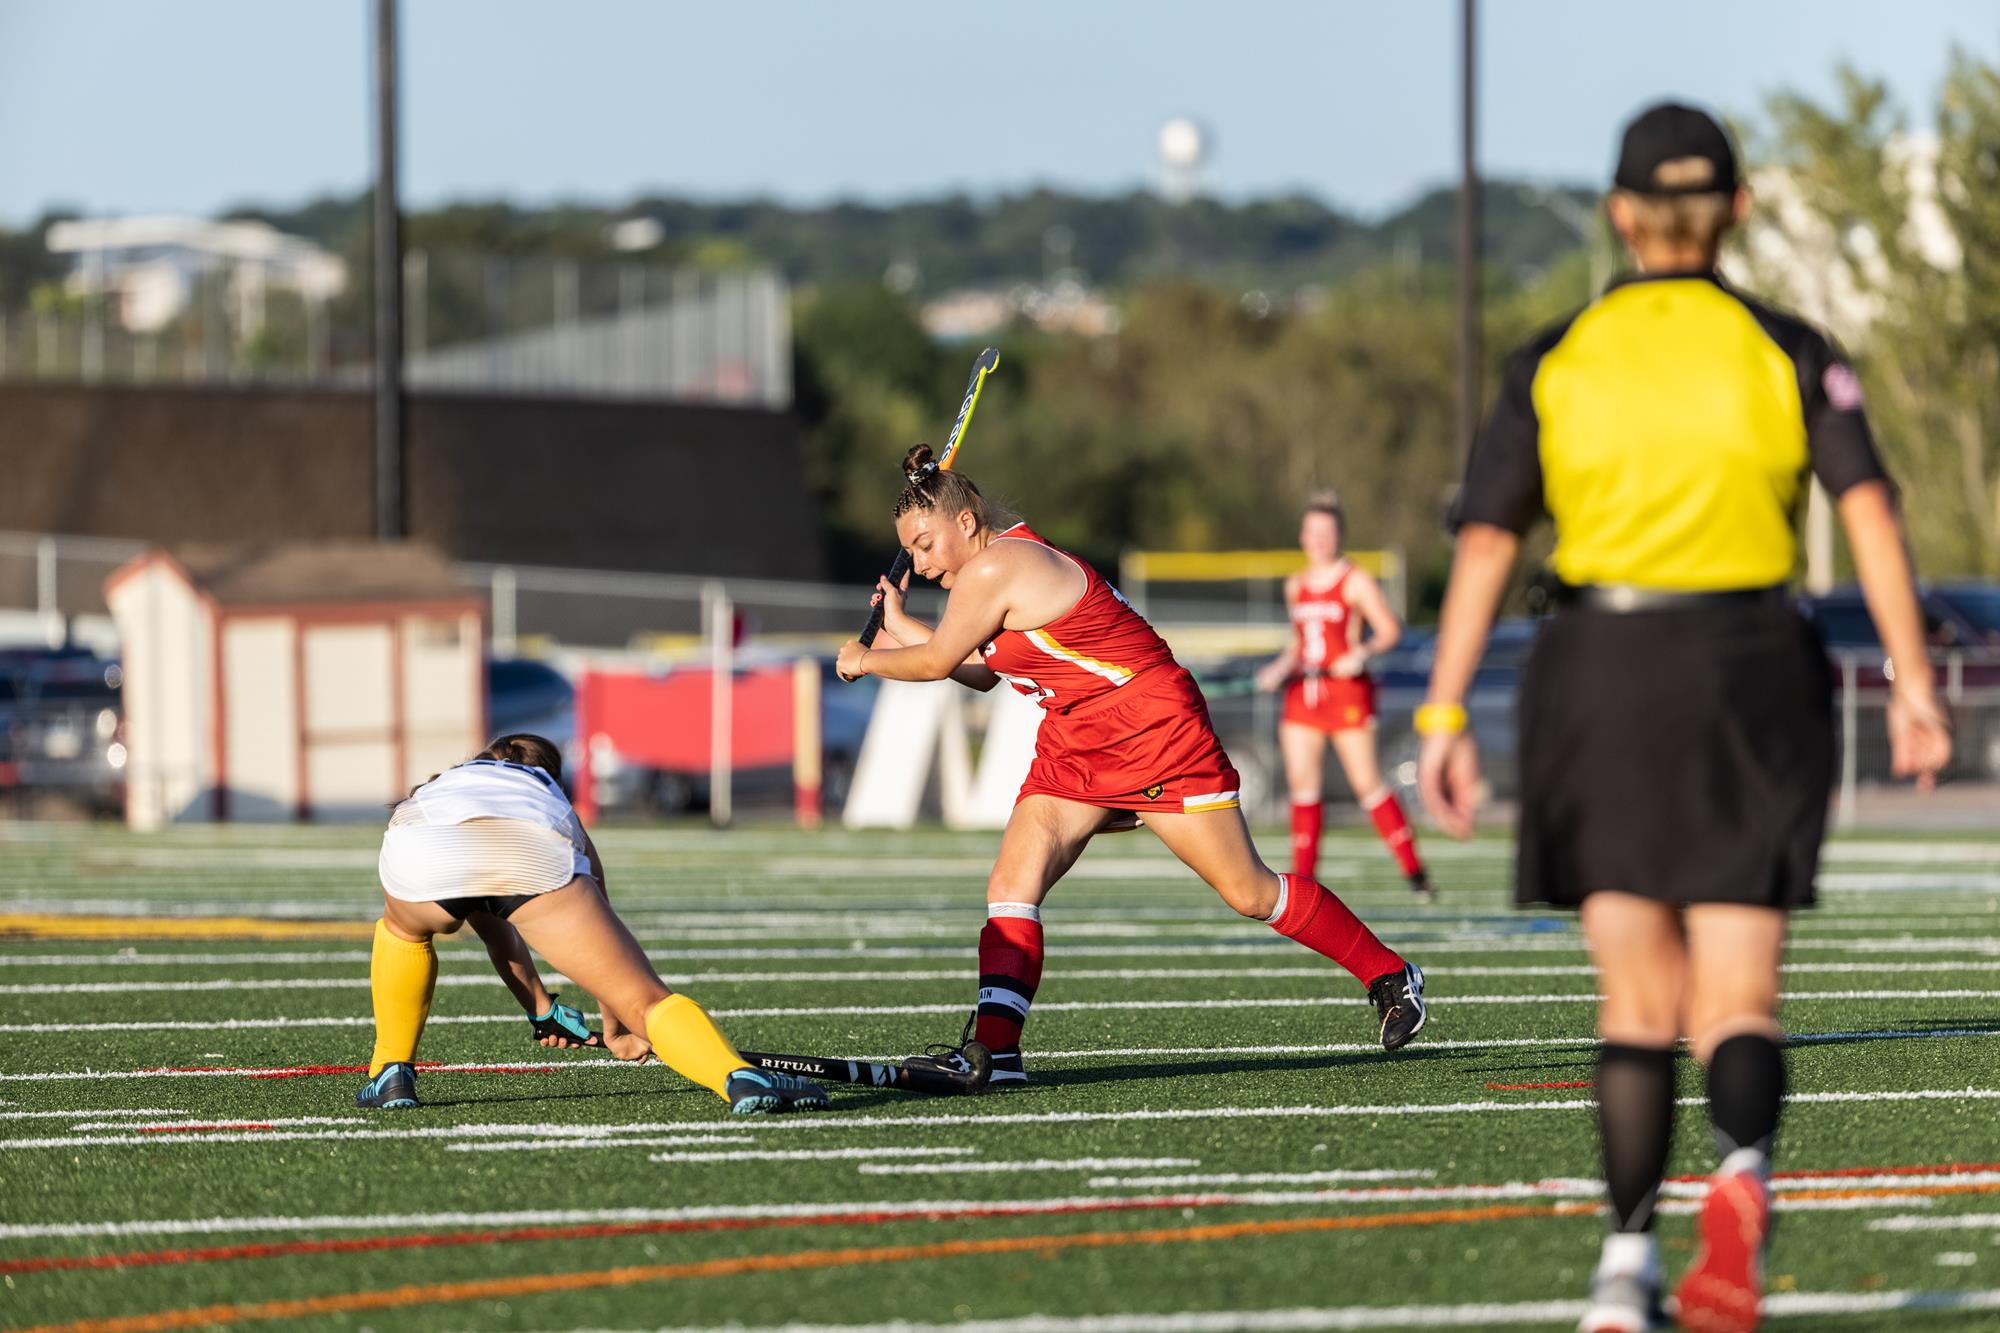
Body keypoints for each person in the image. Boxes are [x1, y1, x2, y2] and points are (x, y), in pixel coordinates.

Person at [1417, 103, 1953, 1333]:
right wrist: (1914, 684)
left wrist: (1441, 707)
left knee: (1632, 1004)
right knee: (1739, 993)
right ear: (1738, 209)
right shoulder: (1787, 343)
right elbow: (1870, 511)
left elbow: (1487, 536)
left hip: (1599, 662)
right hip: (1752, 662)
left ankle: (1620, 1272)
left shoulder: (1556, 354)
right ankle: (1741, 1175)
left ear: (1617, 214)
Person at [836, 446, 1428, 1088]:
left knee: (1249, 891)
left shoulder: (999, 567)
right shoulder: (992, 571)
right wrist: (897, 623)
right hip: (1076, 737)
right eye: (913, 553)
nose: (920, 566)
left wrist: (865, 659)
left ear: (967, 520)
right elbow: (978, 673)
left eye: (926, 545)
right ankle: (997, 1051)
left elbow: (935, 664)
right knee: (1013, 880)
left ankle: (1390, 975)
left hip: (1150, 727)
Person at [358, 733, 829, 1116]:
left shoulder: (447, 784)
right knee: (647, 1001)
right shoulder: (545, 796)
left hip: (421, 845)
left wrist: (542, 1009)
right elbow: (594, 928)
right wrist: (619, 1024)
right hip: (532, 848)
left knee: (402, 931)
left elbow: (491, 919)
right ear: (552, 775)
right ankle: (736, 1077)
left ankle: (391, 1072)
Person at [1255, 490, 1434, 900]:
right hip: (1304, 694)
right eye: (1312, 531)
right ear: (1302, 536)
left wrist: (1361, 654)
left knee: (1367, 782)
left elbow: (1389, 630)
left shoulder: (1355, 581)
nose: (1318, 539)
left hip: (1346, 693)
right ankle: (1304, 885)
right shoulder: (1295, 584)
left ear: (1339, 537)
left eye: (1327, 532)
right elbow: (1298, 643)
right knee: (1303, 785)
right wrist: (1279, 668)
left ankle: (1415, 872)